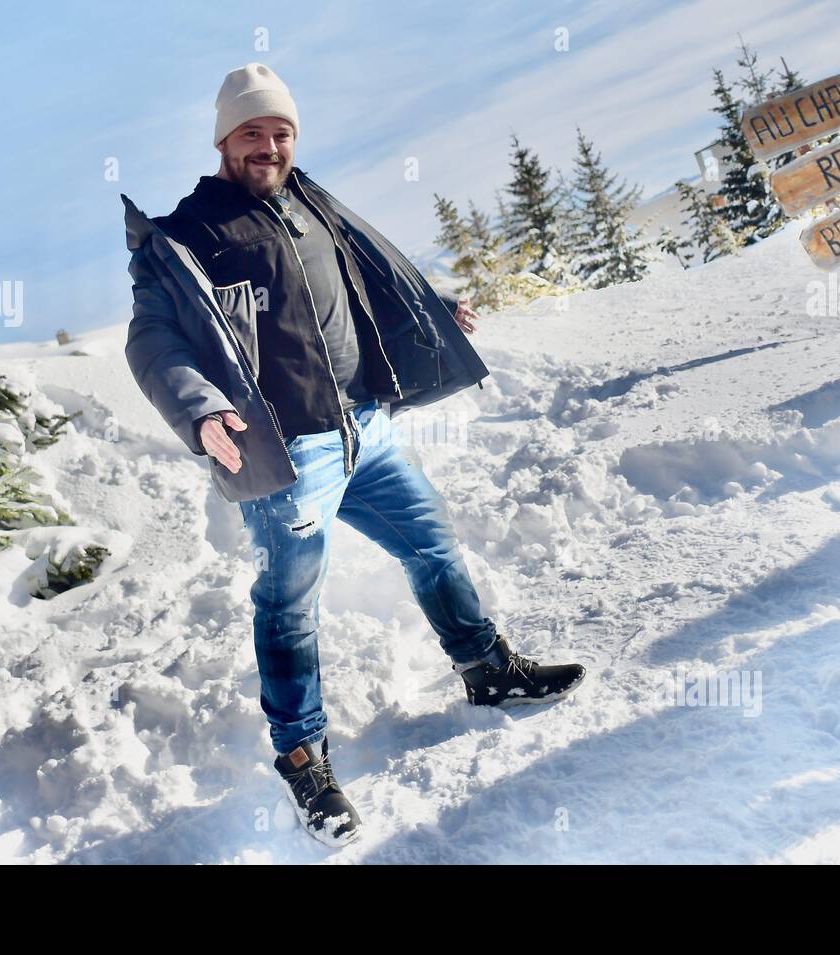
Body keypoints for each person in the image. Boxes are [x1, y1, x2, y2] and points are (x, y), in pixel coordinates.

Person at [123, 63, 585, 847]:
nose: (268, 146)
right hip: (289, 452)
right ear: (223, 140)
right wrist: (200, 409)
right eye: (252, 133)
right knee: (289, 603)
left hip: (364, 428)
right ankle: (303, 757)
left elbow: (367, 278)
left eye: (281, 132)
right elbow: (153, 337)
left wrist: (429, 308)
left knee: (431, 543)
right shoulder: (190, 232)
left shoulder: (309, 204)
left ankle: (487, 668)